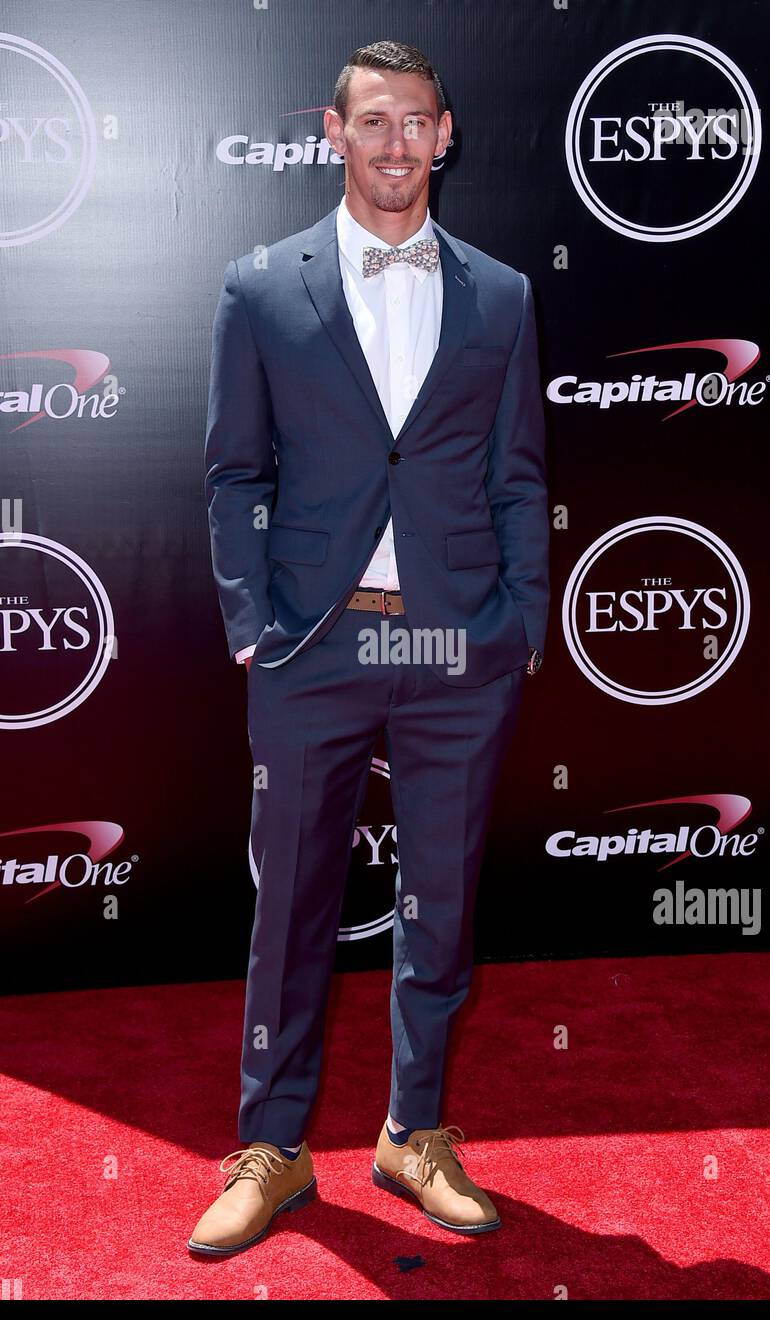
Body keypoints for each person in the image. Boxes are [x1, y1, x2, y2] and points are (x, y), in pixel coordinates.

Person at [189, 38, 549, 1257]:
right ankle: (274, 1148)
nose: (397, 143)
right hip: (312, 644)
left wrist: (516, 626)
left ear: (445, 136)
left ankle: (414, 1129)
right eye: (373, 122)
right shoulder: (258, 286)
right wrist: (251, 627)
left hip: (459, 648)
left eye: (418, 122)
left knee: (438, 904)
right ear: (331, 136)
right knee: (289, 904)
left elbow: (515, 476)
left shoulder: (500, 295)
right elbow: (233, 469)